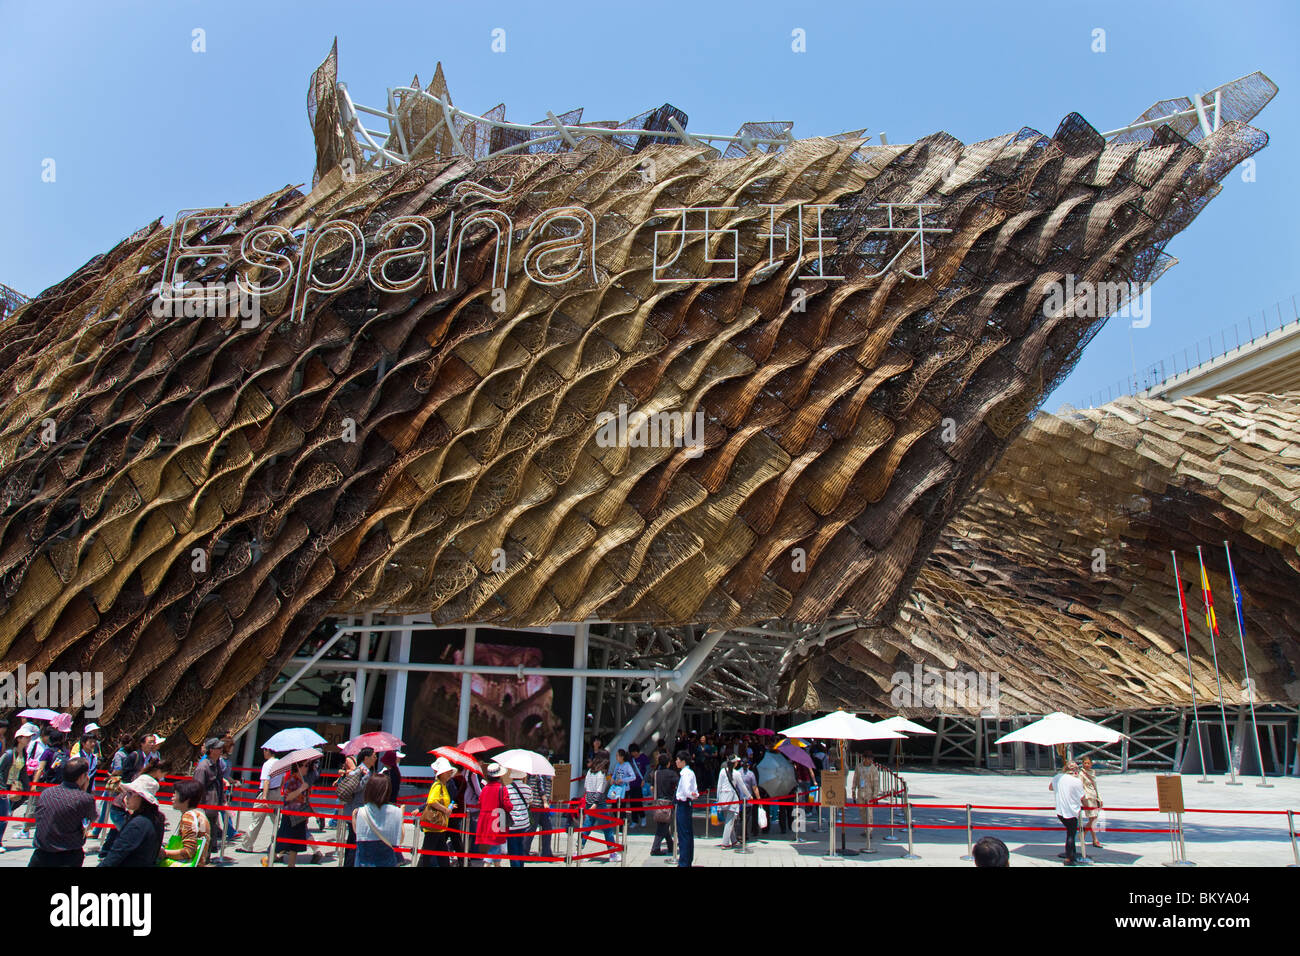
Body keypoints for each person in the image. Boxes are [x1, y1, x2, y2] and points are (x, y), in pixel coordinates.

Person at [28, 757, 95, 867]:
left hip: (41, 854)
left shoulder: (46, 793)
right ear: (83, 776)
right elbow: (88, 825)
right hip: (68, 855)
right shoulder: (85, 799)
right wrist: (84, 791)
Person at [99, 776, 164, 867]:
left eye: (130, 793)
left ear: (141, 797)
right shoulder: (158, 818)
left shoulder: (138, 823)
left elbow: (116, 855)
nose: (126, 797)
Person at [269, 758, 320, 867]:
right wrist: (301, 789)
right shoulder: (293, 780)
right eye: (305, 766)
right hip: (291, 814)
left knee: (294, 844)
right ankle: (272, 858)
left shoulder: (302, 780)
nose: (307, 769)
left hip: (299, 814)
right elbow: (288, 797)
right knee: (285, 840)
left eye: (307, 766)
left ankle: (291, 864)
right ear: (298, 767)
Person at [239, 747, 285, 853]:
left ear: (268, 751)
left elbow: (266, 781)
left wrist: (264, 798)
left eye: (265, 750)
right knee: (277, 820)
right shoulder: (280, 763)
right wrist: (279, 791)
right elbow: (282, 779)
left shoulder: (267, 764)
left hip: (267, 793)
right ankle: (280, 844)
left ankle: (247, 845)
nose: (264, 753)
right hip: (276, 792)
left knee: (256, 820)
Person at [353, 774, 404, 867]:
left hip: (364, 862)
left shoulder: (359, 811)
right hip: (387, 861)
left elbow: (357, 833)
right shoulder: (396, 811)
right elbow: (400, 840)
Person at [339, 747, 377, 867]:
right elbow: (355, 788)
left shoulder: (365, 770)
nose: (376, 758)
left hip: (358, 811)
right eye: (374, 756)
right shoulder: (360, 771)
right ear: (366, 758)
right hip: (355, 811)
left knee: (355, 841)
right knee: (354, 841)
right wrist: (367, 778)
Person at [0, 725, 35, 851]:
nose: (28, 739)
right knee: (3, 816)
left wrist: (27, 787)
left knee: (5, 815)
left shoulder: (23, 754)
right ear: (19, 738)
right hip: (3, 789)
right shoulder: (9, 754)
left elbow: (23, 772)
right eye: (26, 737)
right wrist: (2, 787)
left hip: (12, 788)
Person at [163, 779, 212, 866]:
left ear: (186, 798)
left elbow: (189, 851)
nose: (172, 797)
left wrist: (164, 852)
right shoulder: (200, 814)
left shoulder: (188, 817)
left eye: (176, 794)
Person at [473, 762, 513, 867]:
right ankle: (487, 863)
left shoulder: (485, 788)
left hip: (486, 820)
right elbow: (508, 806)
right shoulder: (502, 788)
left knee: (495, 844)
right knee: (496, 843)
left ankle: (497, 864)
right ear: (499, 776)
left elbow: (480, 803)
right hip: (498, 820)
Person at [418, 757, 456, 867]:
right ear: (442, 773)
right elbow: (431, 801)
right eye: (447, 771)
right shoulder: (438, 785)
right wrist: (446, 810)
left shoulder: (443, 786)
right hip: (434, 824)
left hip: (439, 826)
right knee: (427, 855)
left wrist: (448, 807)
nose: (449, 773)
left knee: (441, 855)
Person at [581, 754, 617, 861]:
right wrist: (595, 803)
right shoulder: (601, 774)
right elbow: (600, 790)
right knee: (607, 828)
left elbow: (586, 787)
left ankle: (578, 849)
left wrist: (590, 802)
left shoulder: (589, 772)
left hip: (589, 801)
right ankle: (612, 853)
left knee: (587, 827)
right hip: (599, 803)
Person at [1049, 761, 1085, 865]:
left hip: (1060, 811)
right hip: (1071, 812)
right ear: (1075, 770)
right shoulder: (1076, 781)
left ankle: (1071, 853)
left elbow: (1050, 788)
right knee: (1071, 834)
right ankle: (1069, 858)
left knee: (1070, 833)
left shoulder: (1057, 777)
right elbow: (1082, 797)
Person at [193, 737, 227, 840]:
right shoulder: (203, 767)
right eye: (218, 748)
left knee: (211, 835)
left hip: (214, 806)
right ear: (211, 750)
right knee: (204, 837)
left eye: (221, 747)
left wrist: (222, 800)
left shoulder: (216, 764)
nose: (221, 750)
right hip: (205, 807)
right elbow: (198, 788)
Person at [716, 754, 750, 849]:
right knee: (730, 822)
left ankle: (734, 840)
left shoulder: (722, 771)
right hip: (732, 799)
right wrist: (749, 796)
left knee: (728, 820)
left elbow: (719, 786)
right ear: (734, 763)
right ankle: (725, 843)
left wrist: (718, 800)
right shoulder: (737, 773)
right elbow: (742, 786)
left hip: (723, 798)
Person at [649, 753, 678, 857]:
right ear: (669, 763)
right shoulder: (672, 774)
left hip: (657, 802)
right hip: (667, 802)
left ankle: (670, 845)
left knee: (663, 824)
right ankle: (655, 848)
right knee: (663, 825)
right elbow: (677, 785)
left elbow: (652, 788)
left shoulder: (656, 773)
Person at [674, 750, 699, 867]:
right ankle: (687, 859)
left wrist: (691, 794)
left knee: (683, 834)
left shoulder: (685, 774)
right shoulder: (690, 773)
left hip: (683, 804)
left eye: (678, 760)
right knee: (687, 833)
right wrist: (693, 794)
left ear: (683, 761)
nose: (676, 762)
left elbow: (686, 791)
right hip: (687, 804)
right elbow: (694, 790)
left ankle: (684, 862)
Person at [608, 749, 637, 836]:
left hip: (624, 789)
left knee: (622, 808)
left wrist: (623, 780)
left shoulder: (627, 765)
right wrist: (612, 779)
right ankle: (619, 823)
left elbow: (633, 777)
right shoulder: (617, 765)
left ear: (622, 757)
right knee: (614, 806)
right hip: (616, 788)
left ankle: (621, 827)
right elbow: (614, 774)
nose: (616, 757)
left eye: (617, 755)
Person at [1079, 756, 1104, 848]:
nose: (1086, 765)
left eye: (1088, 763)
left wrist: (1099, 798)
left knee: (1093, 818)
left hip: (1094, 796)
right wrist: (1082, 798)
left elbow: (1095, 786)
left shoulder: (1092, 772)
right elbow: (1080, 786)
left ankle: (1090, 838)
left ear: (1091, 764)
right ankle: (1086, 836)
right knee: (1093, 818)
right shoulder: (1081, 774)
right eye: (1085, 763)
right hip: (1087, 797)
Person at [628, 743, 650, 826]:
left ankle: (642, 816)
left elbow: (648, 770)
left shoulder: (643, 758)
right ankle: (634, 820)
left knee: (638, 802)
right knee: (632, 802)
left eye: (634, 752)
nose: (633, 754)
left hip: (640, 784)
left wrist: (644, 779)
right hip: (632, 783)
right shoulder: (631, 759)